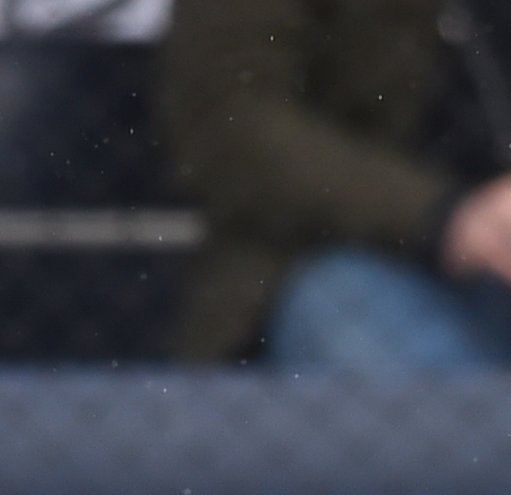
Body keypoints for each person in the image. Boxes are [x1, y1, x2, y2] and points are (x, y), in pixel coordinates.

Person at [160, 0, 511, 369]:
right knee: (418, 374)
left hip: (491, 273)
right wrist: (448, 217)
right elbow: (228, 125)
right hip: (316, 258)